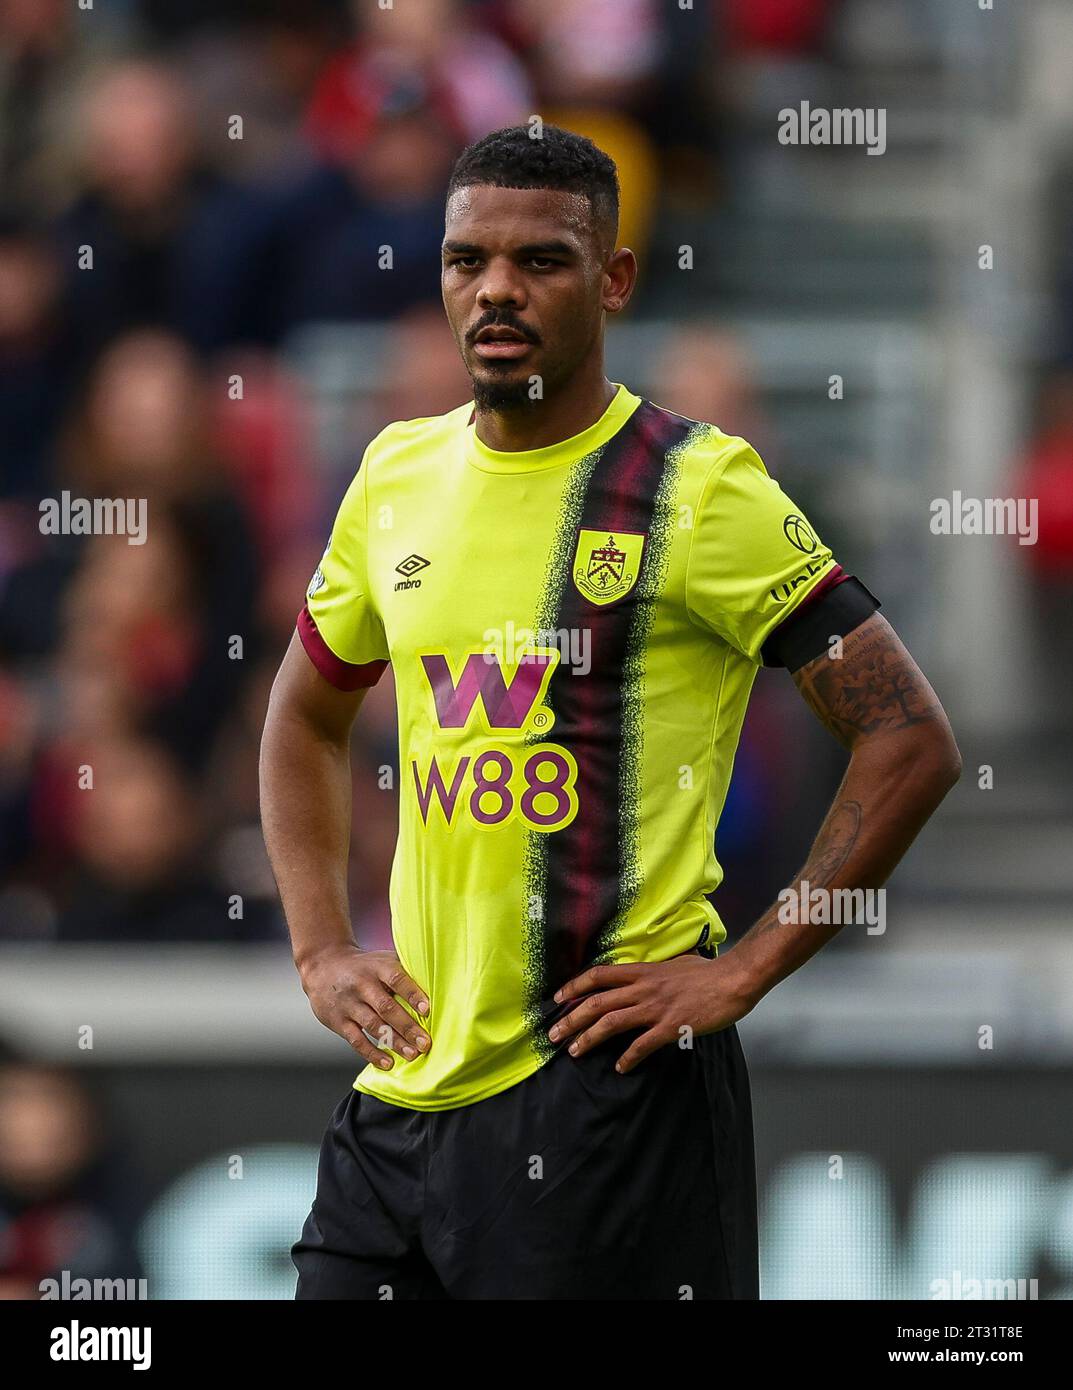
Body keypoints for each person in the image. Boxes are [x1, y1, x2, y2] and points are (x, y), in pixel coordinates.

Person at [259, 125, 961, 1300]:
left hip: (603, 1090)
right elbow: (303, 719)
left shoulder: (697, 488)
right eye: (464, 259)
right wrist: (321, 945)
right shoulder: (394, 475)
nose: (494, 289)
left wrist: (742, 969)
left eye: (540, 260)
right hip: (404, 1090)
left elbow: (909, 736)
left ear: (613, 279)